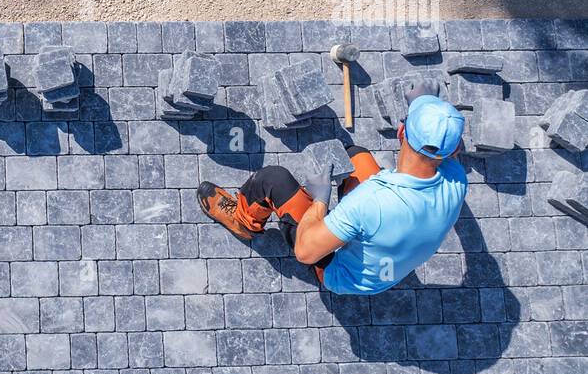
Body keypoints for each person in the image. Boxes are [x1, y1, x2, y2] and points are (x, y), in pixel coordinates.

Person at [197, 82, 468, 294]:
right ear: (454, 150)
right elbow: (440, 143)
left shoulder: (369, 202)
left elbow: (305, 252)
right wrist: (426, 104)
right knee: (356, 155)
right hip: (389, 258)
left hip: (342, 274)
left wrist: (320, 200)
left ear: (400, 132)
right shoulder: (456, 180)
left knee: (272, 179)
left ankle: (243, 222)